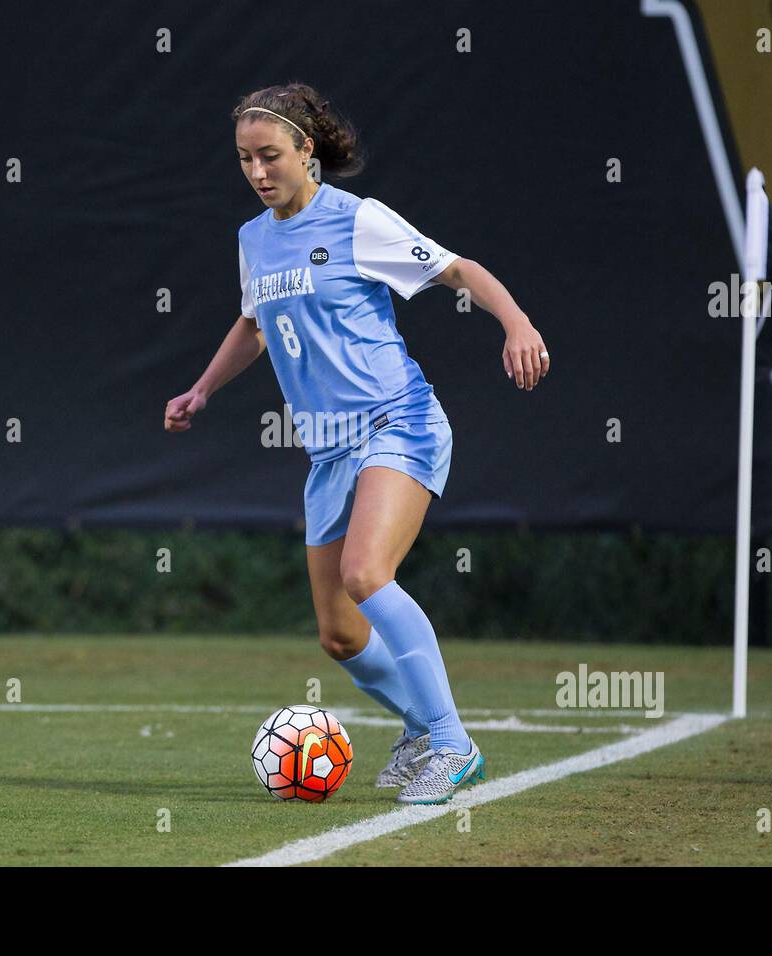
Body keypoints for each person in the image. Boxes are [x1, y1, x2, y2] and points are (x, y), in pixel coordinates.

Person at [164, 83, 549, 804]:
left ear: (308, 151)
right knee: (340, 637)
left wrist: (517, 323)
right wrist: (203, 390)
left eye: (270, 155)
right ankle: (422, 728)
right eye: (245, 158)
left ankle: (452, 745)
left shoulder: (357, 221)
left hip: (395, 420)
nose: (257, 171)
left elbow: (457, 270)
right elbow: (254, 324)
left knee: (367, 574)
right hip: (327, 450)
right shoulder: (252, 238)